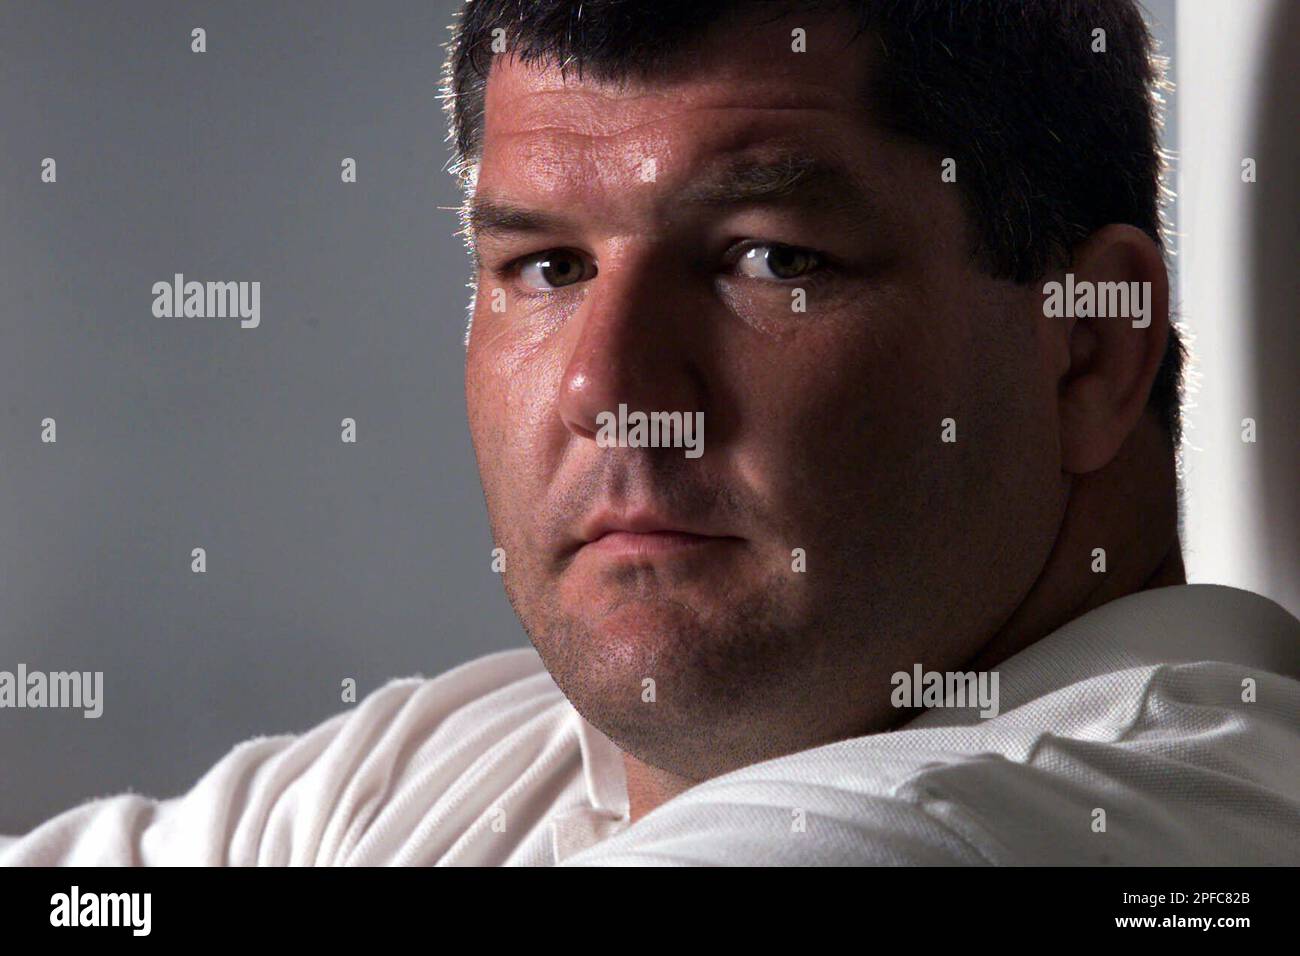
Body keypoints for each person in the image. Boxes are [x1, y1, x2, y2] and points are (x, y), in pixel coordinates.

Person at [4, 0, 1298, 866]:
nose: (606, 390)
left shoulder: (1093, 819)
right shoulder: (440, 774)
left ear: (1091, 346)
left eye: (769, 258)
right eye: (548, 268)